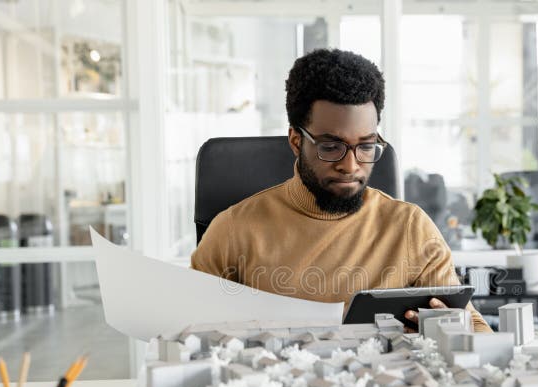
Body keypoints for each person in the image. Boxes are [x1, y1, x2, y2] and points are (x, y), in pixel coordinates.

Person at [191, 48, 491, 333]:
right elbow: (185, 334)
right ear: (296, 141)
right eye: (331, 147)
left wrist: (447, 331)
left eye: (366, 146)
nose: (350, 166)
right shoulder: (232, 231)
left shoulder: (410, 228)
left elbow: (477, 330)